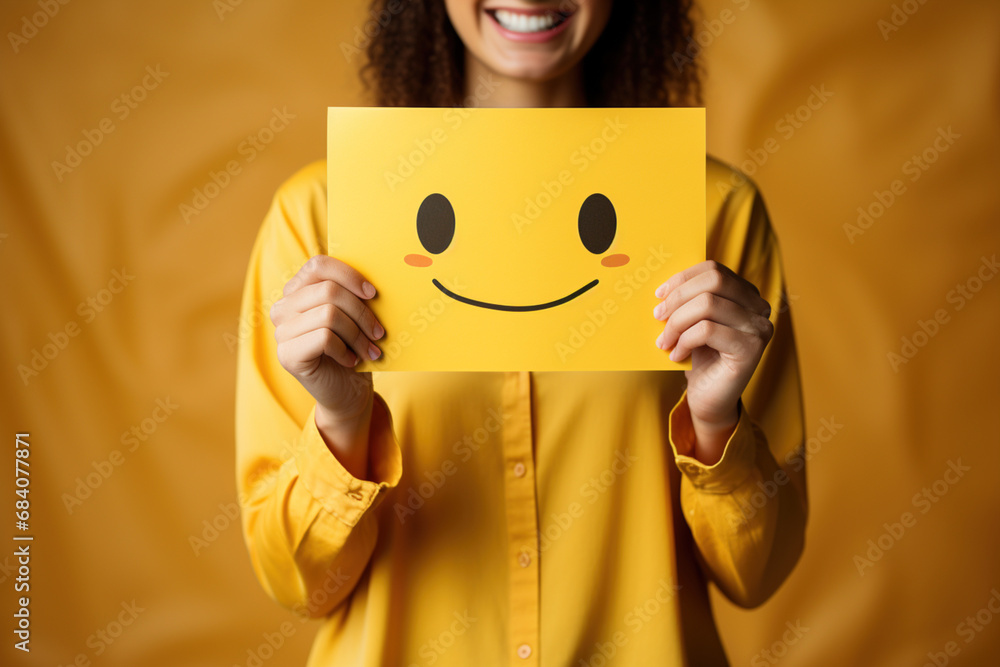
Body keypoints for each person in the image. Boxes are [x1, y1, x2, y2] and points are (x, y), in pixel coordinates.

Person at [235, 1, 807, 665]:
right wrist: (341, 421)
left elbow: (757, 575)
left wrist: (715, 422)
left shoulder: (717, 216)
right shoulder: (317, 221)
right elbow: (298, 584)